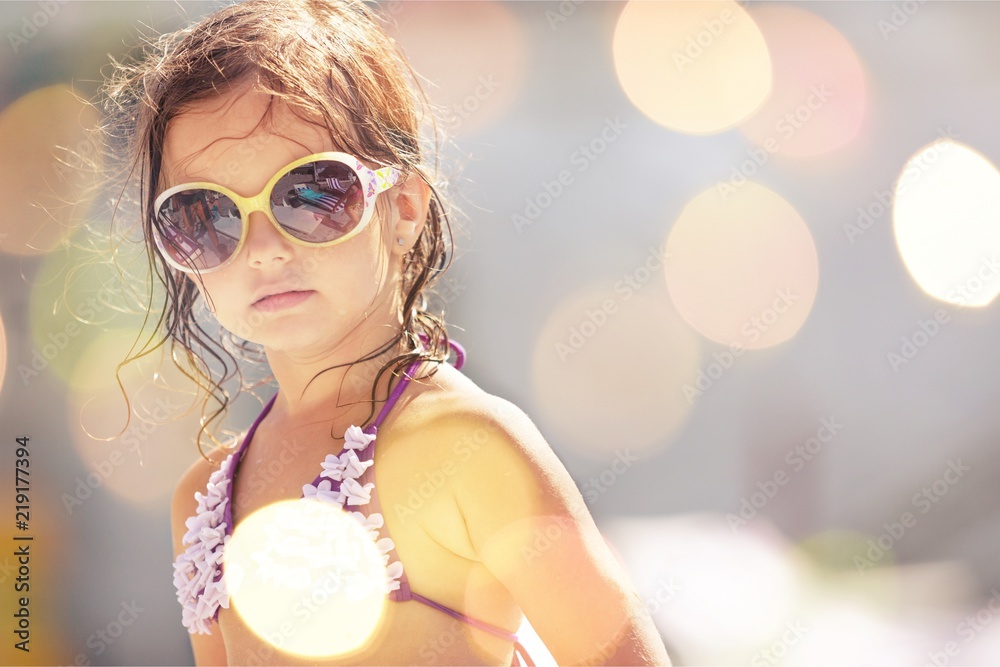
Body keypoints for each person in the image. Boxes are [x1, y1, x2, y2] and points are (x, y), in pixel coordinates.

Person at [100, 0, 671, 665]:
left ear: (402, 208)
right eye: (206, 215)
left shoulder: (465, 445)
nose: (261, 248)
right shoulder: (203, 498)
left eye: (310, 194)